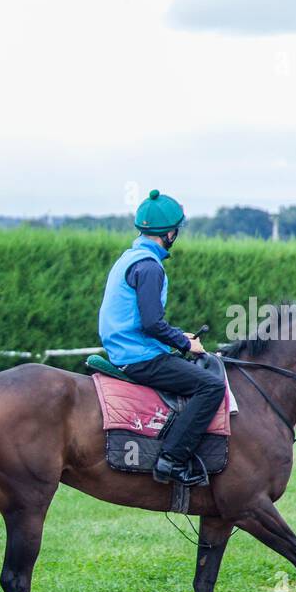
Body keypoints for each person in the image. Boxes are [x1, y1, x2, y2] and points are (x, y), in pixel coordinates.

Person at [97, 188, 224, 486]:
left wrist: (179, 335)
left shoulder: (130, 258)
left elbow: (143, 320)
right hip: (139, 357)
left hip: (128, 349)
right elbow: (153, 324)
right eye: (175, 231)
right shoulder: (150, 267)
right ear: (169, 234)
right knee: (211, 386)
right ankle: (172, 460)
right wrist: (184, 343)